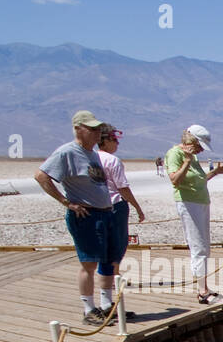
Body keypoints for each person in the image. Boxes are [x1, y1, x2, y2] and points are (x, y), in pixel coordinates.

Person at [34, 110, 116, 325]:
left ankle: (105, 305)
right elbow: (41, 175)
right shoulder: (67, 152)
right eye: (92, 129)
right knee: (89, 263)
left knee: (106, 259)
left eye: (99, 129)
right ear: (78, 129)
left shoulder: (91, 153)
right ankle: (88, 309)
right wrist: (66, 202)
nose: (98, 133)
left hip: (104, 213)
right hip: (86, 215)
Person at [165, 124, 223, 304]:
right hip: (188, 203)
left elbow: (199, 180)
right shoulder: (176, 154)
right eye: (199, 146)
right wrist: (185, 161)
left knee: (204, 246)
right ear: (191, 141)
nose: (201, 151)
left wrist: (215, 172)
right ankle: (202, 292)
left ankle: (205, 287)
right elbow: (175, 180)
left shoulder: (191, 157)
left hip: (200, 201)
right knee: (198, 246)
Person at [96, 124, 145, 320]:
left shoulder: (91, 158)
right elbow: (122, 187)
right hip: (115, 206)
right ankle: (109, 303)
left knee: (105, 254)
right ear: (105, 140)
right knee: (115, 253)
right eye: (114, 140)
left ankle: (106, 302)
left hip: (97, 208)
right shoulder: (112, 160)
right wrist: (137, 207)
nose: (116, 144)